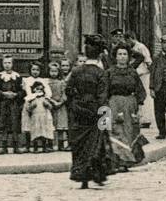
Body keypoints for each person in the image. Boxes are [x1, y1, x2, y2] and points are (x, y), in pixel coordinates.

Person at [68, 36, 112, 189]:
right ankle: (96, 174)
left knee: (79, 144)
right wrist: (105, 120)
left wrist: (76, 105)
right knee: (95, 145)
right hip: (95, 113)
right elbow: (103, 97)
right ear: (100, 55)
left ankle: (82, 177)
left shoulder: (76, 71)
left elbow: (69, 91)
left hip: (79, 112)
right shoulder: (101, 73)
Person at [107, 46, 147, 170]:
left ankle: (127, 161)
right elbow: (105, 90)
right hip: (114, 104)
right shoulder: (110, 72)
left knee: (129, 131)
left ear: (129, 57)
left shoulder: (132, 72)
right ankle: (117, 160)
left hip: (130, 105)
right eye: (119, 54)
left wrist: (139, 107)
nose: (122, 57)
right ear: (115, 57)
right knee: (116, 131)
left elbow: (140, 90)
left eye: (125, 54)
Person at [0, 57, 24, 155]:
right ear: (2, 64)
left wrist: (15, 94)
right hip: (3, 103)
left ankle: (16, 147)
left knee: (15, 123)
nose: (7, 65)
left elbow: (22, 91)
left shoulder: (17, 76)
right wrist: (4, 94)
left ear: (12, 64)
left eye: (9, 63)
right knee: (4, 124)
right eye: (5, 63)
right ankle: (4, 147)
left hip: (14, 103)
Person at [128, 31, 155, 128]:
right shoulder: (133, 48)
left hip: (144, 75)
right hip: (137, 75)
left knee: (145, 97)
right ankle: (140, 119)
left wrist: (151, 75)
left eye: (128, 40)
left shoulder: (141, 47)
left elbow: (148, 61)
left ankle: (146, 119)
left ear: (131, 38)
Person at [23, 79, 54, 153]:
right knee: (35, 132)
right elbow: (27, 109)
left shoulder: (45, 98)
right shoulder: (31, 99)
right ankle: (35, 147)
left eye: (41, 89)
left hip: (43, 117)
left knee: (44, 132)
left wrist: (47, 105)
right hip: (35, 118)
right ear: (33, 89)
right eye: (37, 89)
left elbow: (50, 107)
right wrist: (32, 106)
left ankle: (44, 147)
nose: (39, 91)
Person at [51, 58, 70, 151]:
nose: (65, 67)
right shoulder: (50, 81)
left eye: (67, 65)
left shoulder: (69, 78)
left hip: (64, 104)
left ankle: (65, 143)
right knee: (56, 124)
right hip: (53, 104)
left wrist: (61, 101)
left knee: (63, 124)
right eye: (63, 65)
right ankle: (55, 143)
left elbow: (65, 93)